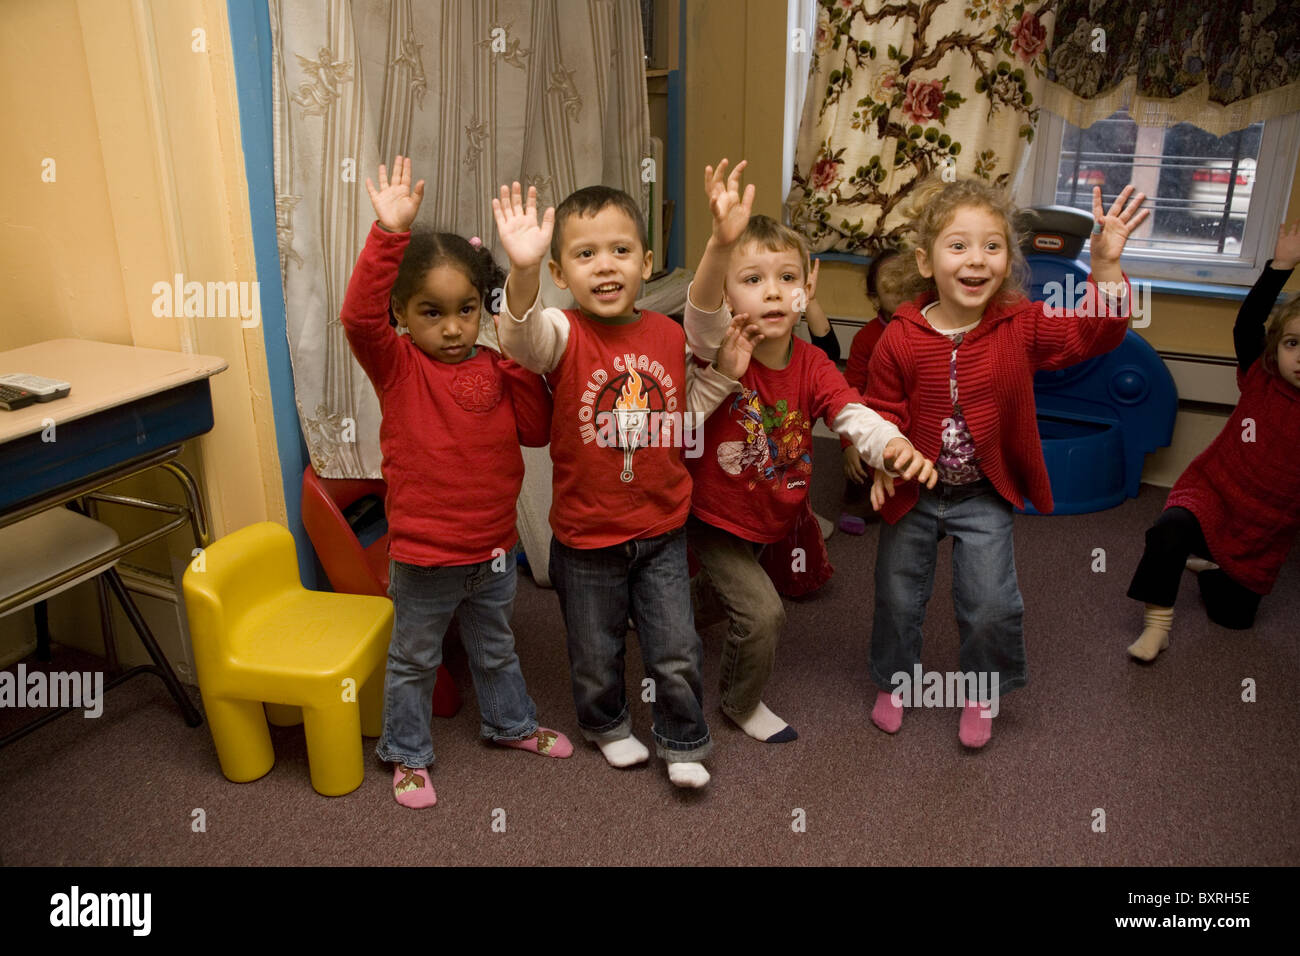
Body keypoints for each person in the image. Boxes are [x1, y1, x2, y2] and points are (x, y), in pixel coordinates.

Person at [492, 180, 759, 788]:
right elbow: (519, 338)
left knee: (675, 648)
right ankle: (608, 726)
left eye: (619, 250)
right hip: (586, 539)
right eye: (585, 255)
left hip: (662, 528)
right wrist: (523, 270)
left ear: (645, 261)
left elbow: (679, 420)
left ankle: (683, 738)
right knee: (594, 653)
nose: (604, 265)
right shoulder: (562, 332)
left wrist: (721, 244)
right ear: (563, 271)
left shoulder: (668, 336)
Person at [867, 175, 1147, 747]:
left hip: (982, 493)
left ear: (1008, 262)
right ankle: (898, 679)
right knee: (898, 597)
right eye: (959, 245)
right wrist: (880, 463)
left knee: (991, 604)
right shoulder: (899, 335)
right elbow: (881, 412)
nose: (977, 260)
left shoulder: (1020, 325)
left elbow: (1096, 334)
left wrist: (1108, 268)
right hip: (914, 495)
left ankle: (980, 690)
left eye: (992, 247)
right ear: (926, 261)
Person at [341, 157, 572, 809]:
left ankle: (511, 725)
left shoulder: (500, 368)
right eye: (431, 311)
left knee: (497, 648)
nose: (450, 327)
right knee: (414, 660)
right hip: (424, 557)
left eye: (465, 309)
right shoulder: (397, 365)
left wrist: (518, 349)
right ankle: (407, 754)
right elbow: (358, 321)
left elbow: (535, 430)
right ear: (403, 314)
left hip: (494, 552)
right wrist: (387, 235)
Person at [683, 158, 935, 744]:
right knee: (763, 612)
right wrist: (721, 245)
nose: (772, 291)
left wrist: (891, 443)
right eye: (751, 279)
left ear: (808, 288)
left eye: (786, 278)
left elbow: (853, 413)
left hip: (770, 516)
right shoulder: (722, 344)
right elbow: (697, 313)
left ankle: (661, 614)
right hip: (713, 514)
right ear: (726, 291)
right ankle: (740, 704)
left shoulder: (815, 364)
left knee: (714, 600)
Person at [1125, 221, 1300, 659]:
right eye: (1294, 344)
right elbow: (1248, 324)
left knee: (1234, 620)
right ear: (1276, 348)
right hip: (1214, 492)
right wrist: (1281, 266)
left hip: (1263, 528)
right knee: (1168, 531)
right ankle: (1157, 627)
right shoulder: (1261, 378)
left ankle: (1208, 564)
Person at [838, 249, 908, 534]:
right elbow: (849, 391)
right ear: (876, 298)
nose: (901, 284)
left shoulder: (932, 332)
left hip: (914, 422)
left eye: (907, 278)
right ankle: (861, 503)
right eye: (891, 280)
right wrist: (848, 444)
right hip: (876, 420)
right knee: (859, 465)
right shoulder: (866, 338)